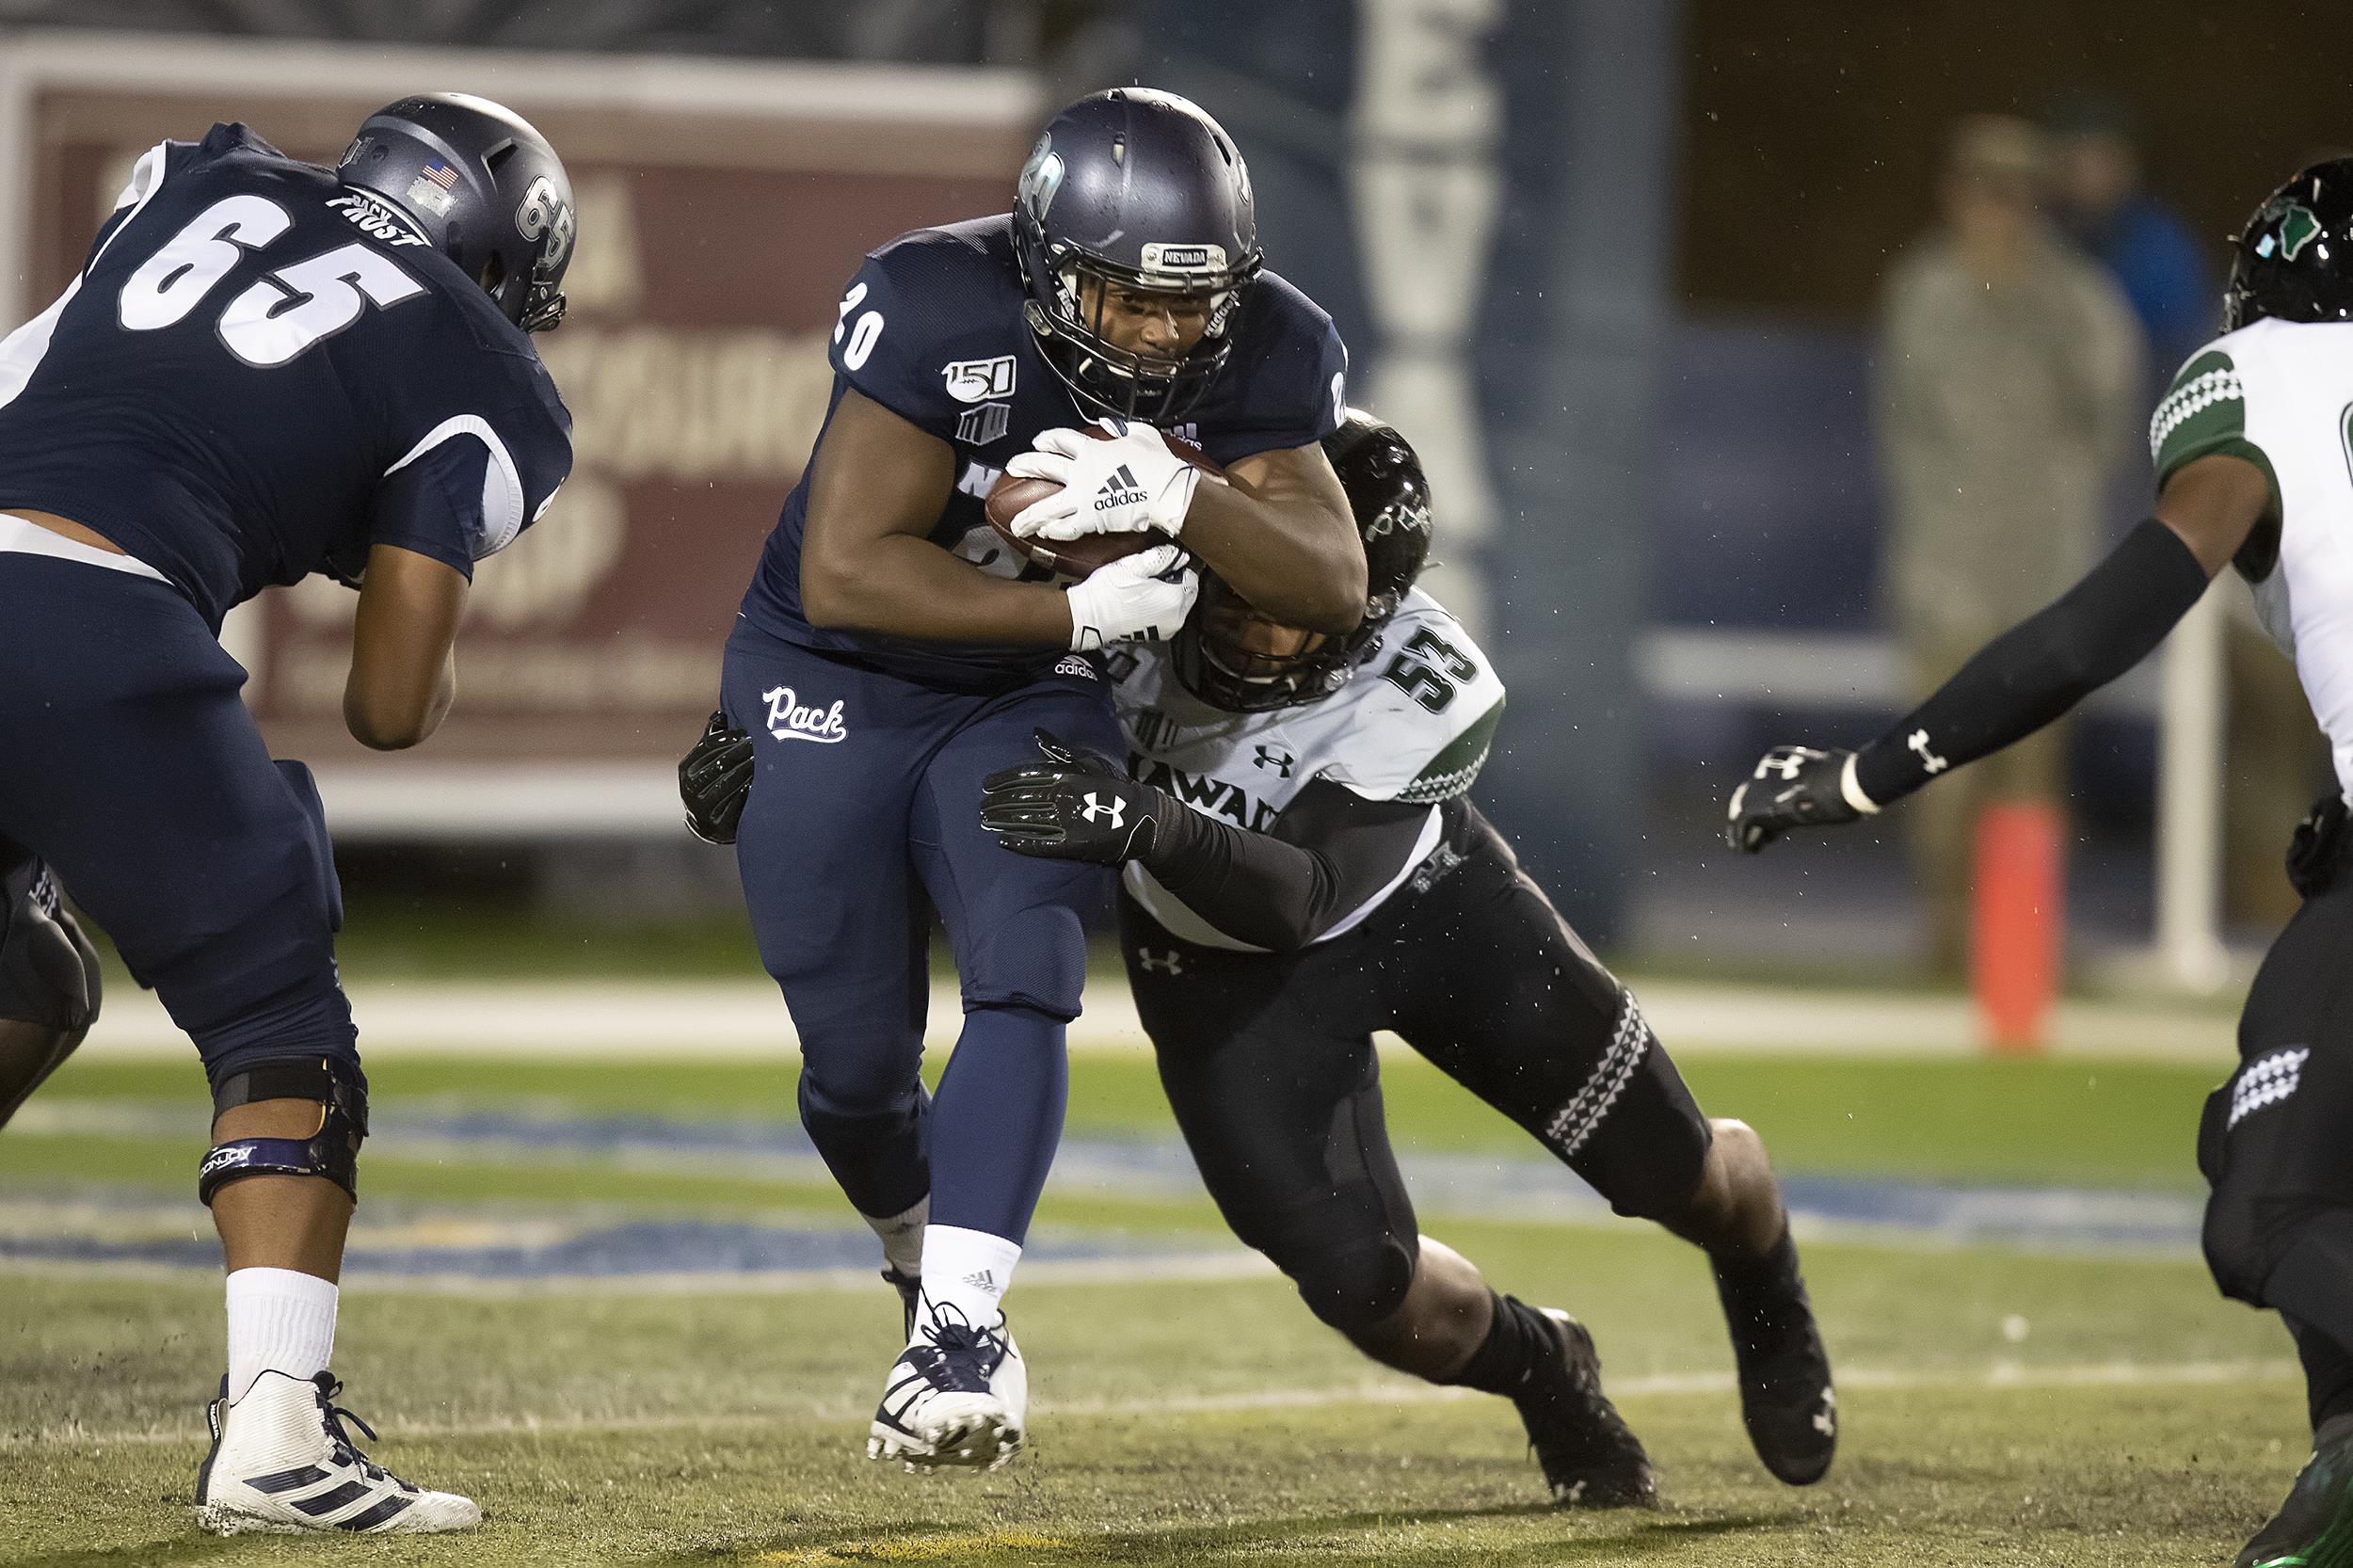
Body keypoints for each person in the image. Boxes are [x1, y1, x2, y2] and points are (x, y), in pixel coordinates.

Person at [977, 412, 1835, 1505]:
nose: (1264, 632)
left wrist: (1146, 819)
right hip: (1220, 966)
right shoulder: (1125, 586)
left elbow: (1310, 894)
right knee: (1362, 1289)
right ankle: (1544, 1364)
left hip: (1426, 911)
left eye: (1303, 610)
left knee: (1672, 1173)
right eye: (1246, 586)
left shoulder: (1426, 675)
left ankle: (1764, 1282)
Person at [685, 87, 1361, 1473]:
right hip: (839, 671)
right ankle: (912, 1252)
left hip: (1026, 696)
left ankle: (959, 1328)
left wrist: (1184, 500)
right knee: (856, 1066)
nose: (1170, 335)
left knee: (1029, 956)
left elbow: (1334, 579)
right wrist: (1074, 619)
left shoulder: (1271, 344)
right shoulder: (939, 302)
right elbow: (850, 569)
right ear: (1051, 266)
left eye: (1195, 304)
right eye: (1130, 302)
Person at [1726, 162, 2353, 1568]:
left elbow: (2093, 629)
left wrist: (1866, 769)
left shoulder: (2260, 382)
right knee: (2290, 1116)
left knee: (2267, 1204)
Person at [0, 95, 575, 1532]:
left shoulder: (202, 182)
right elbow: (386, 702)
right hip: (89, 602)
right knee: (281, 1032)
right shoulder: (475, 355)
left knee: (24, 968)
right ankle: (278, 1433)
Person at [1876, 113, 2145, 974]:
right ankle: (1945, 942)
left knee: (2032, 771)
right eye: (1987, 191)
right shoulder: (1924, 293)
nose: (2002, 210)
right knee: (1940, 769)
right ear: (1957, 194)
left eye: (2020, 194)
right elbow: (1903, 426)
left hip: (2042, 573)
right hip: (1948, 570)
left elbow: (2106, 423)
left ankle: (2019, 949)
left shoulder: (2077, 300)